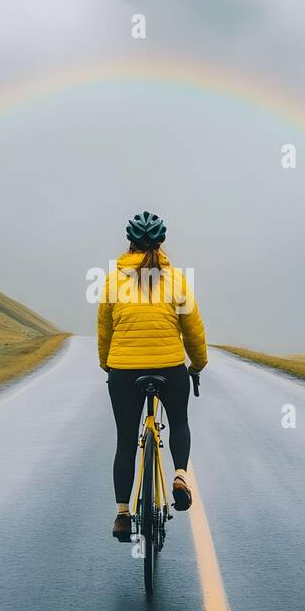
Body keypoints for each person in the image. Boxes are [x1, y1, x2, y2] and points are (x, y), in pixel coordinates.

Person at [97, 211, 208, 542]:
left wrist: (108, 365)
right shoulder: (177, 281)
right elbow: (193, 330)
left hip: (124, 371)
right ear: (161, 244)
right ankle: (179, 477)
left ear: (129, 243)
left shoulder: (112, 281)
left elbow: (104, 330)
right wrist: (197, 366)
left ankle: (121, 514)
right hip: (170, 368)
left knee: (126, 439)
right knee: (179, 421)